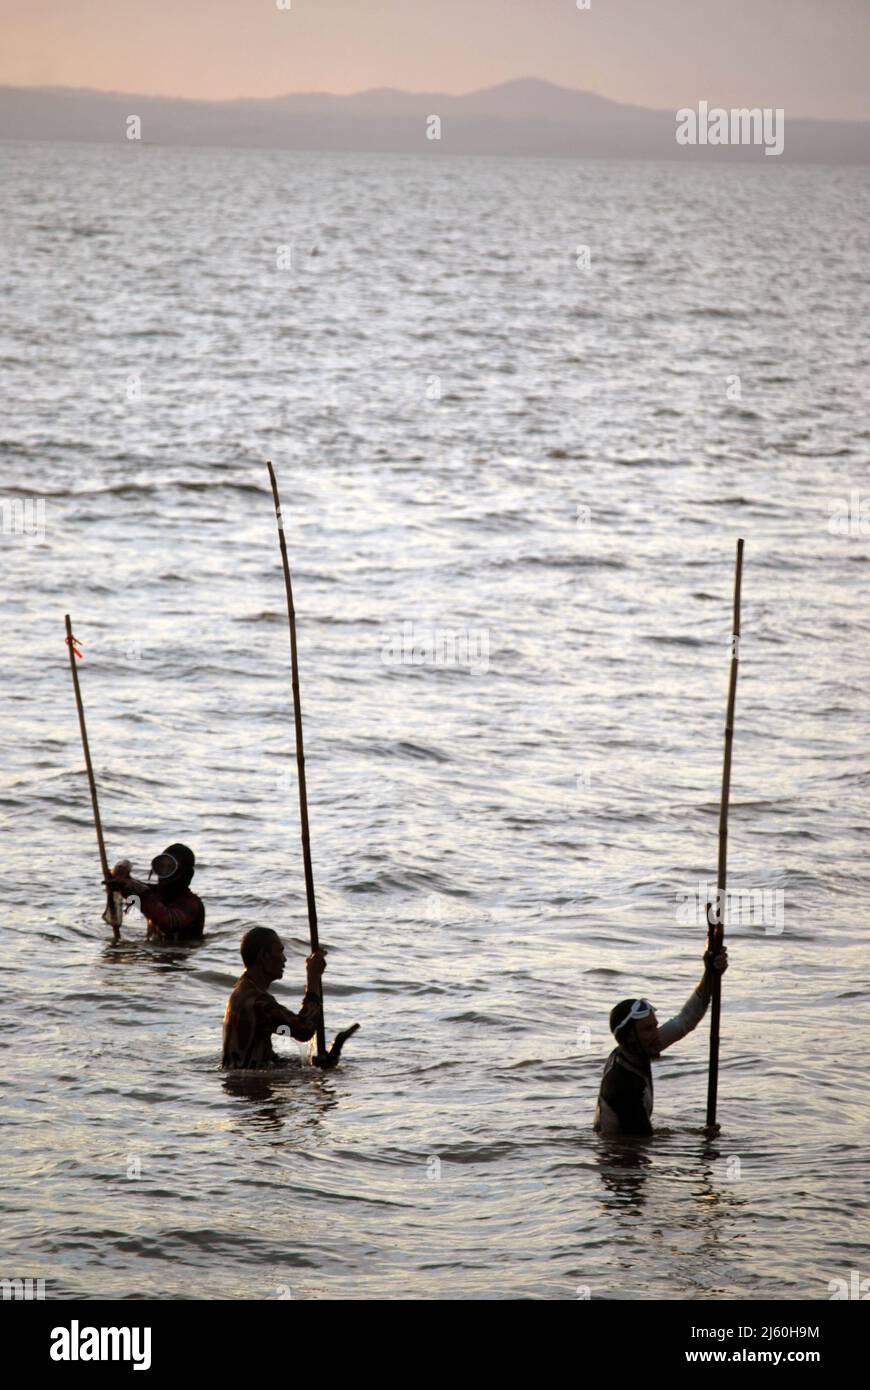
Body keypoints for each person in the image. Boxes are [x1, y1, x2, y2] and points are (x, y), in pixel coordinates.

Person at [594, 946, 729, 1137]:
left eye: (654, 1026)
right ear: (630, 1036)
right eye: (648, 1029)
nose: (656, 1034)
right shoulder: (624, 1086)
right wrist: (697, 1136)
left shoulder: (635, 1049)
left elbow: (685, 1021)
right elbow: (644, 1142)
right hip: (620, 1160)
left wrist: (710, 974)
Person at [222, 927, 325, 1069]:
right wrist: (313, 979)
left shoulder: (241, 992)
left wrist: (312, 1064)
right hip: (248, 1088)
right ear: (264, 956)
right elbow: (304, 1029)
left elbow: (267, 1058)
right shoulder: (257, 1001)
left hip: (241, 1084)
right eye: (280, 952)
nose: (284, 959)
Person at [106, 843, 204, 942]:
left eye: (170, 868)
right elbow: (134, 891)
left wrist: (140, 891)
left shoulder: (192, 904)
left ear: (186, 874)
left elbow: (169, 921)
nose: (164, 873)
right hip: (156, 952)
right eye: (160, 866)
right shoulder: (154, 893)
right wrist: (121, 879)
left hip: (180, 953)